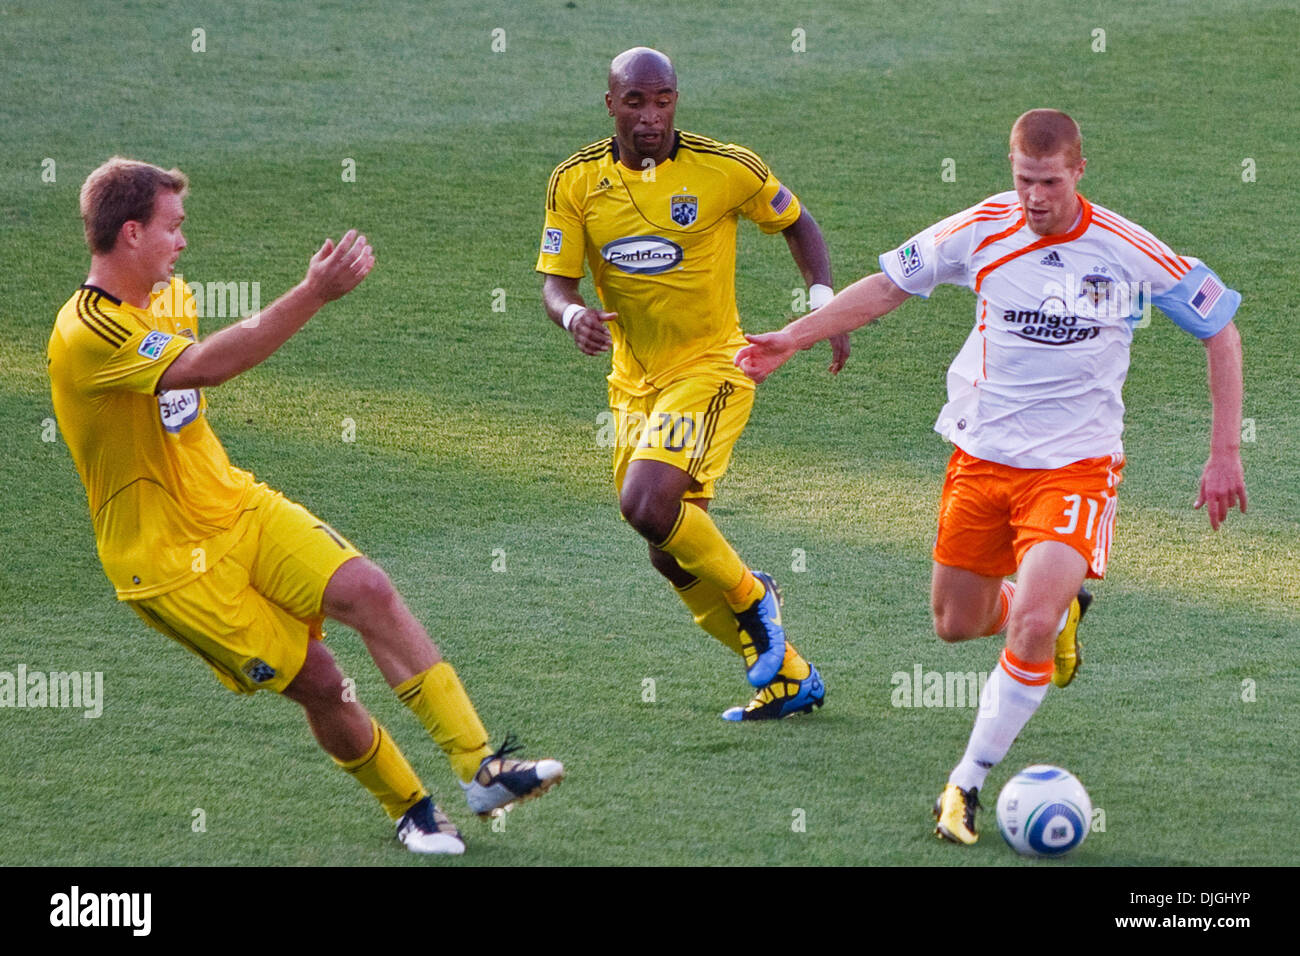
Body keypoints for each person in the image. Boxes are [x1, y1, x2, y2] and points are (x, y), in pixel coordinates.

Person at [735, 109, 1246, 841]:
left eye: (1049, 182)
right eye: (1023, 180)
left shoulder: (1126, 250)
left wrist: (1224, 450)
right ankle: (1062, 613)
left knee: (1030, 622)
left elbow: (1219, 326)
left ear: (1078, 172)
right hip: (981, 460)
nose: (1035, 197)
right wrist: (791, 337)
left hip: (1076, 468)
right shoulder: (982, 228)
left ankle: (964, 785)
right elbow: (887, 287)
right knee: (957, 623)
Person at [49, 157, 564, 855]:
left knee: (368, 590)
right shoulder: (87, 331)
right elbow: (209, 366)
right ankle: (411, 807)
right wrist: (313, 293)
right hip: (170, 565)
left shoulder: (171, 299)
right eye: (174, 228)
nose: (183, 243)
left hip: (235, 508)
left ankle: (483, 769)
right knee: (323, 682)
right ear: (131, 233)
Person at [537, 47, 846, 720]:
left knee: (646, 504)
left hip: (714, 368)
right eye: (637, 102)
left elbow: (797, 221)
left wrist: (822, 302)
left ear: (677, 100)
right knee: (669, 553)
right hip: (633, 383)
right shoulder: (575, 182)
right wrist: (571, 316)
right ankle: (790, 677)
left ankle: (755, 597)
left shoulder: (725, 168)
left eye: (664, 100)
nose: (652, 117)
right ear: (611, 104)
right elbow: (556, 284)